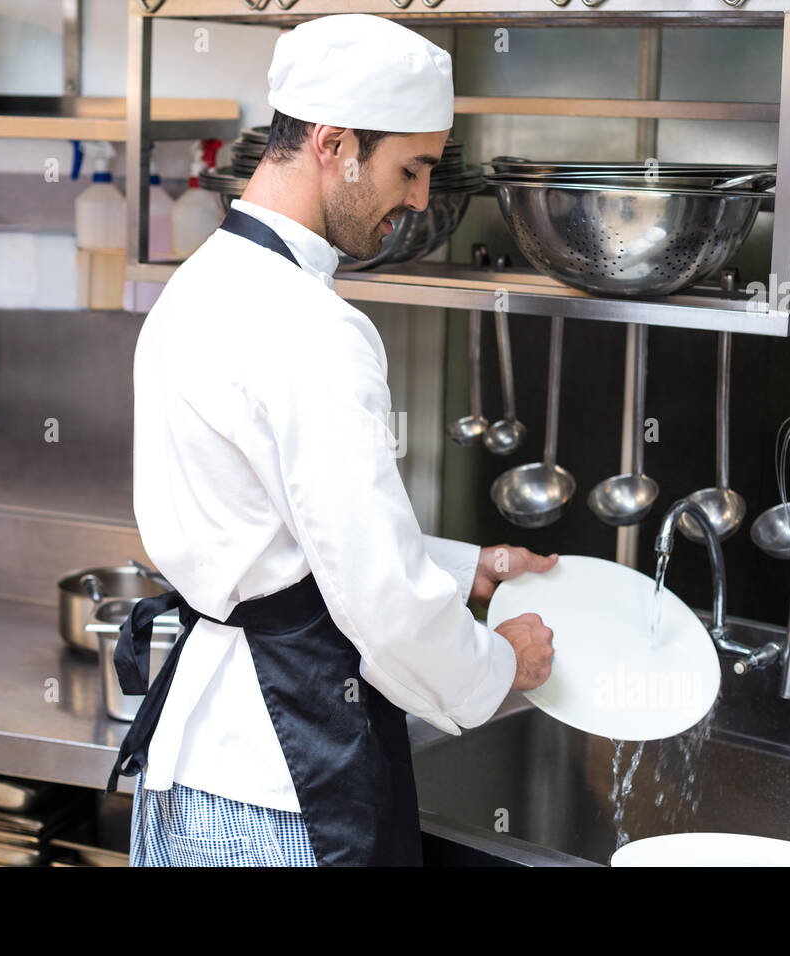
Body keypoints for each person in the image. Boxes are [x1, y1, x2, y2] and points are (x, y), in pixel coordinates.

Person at [105, 13, 556, 867]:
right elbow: (379, 598)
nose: (420, 198)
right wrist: (499, 666)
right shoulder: (312, 327)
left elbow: (287, 537)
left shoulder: (199, 284)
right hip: (282, 784)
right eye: (410, 168)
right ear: (335, 144)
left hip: (189, 775)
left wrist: (468, 572)